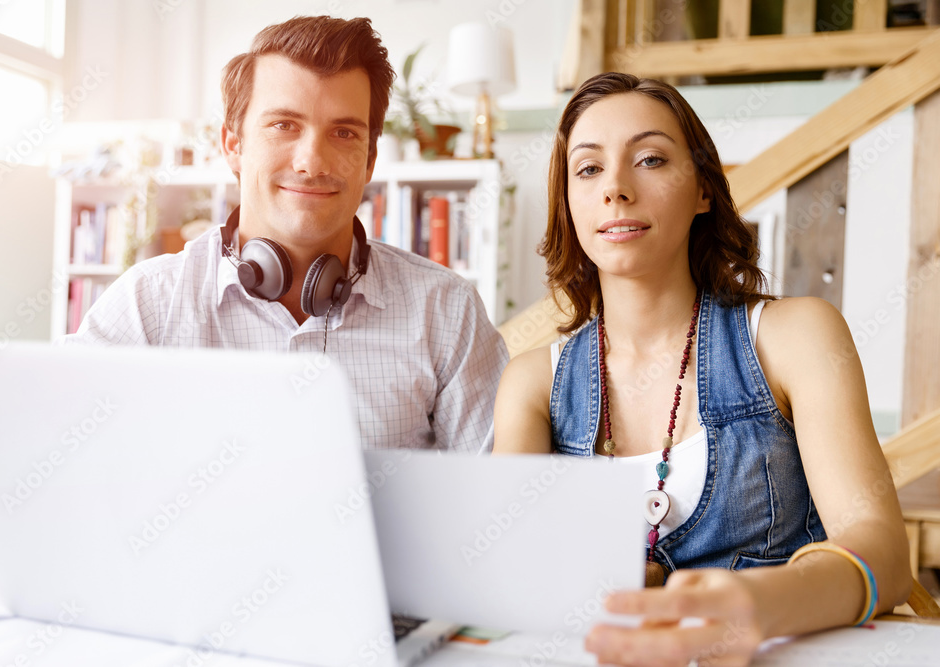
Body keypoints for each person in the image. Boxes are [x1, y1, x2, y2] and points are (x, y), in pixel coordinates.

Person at [493, 72, 911, 665]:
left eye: (650, 159)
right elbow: (506, 575)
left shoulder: (796, 337)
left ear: (702, 190)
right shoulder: (531, 385)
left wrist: (761, 604)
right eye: (587, 169)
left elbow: (887, 557)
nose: (615, 188)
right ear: (568, 202)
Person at [60, 16, 508, 452]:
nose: (311, 162)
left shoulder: (447, 312)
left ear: (370, 159)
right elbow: (47, 451)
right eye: (283, 125)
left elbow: (494, 506)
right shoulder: (148, 304)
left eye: (344, 132)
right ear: (233, 145)